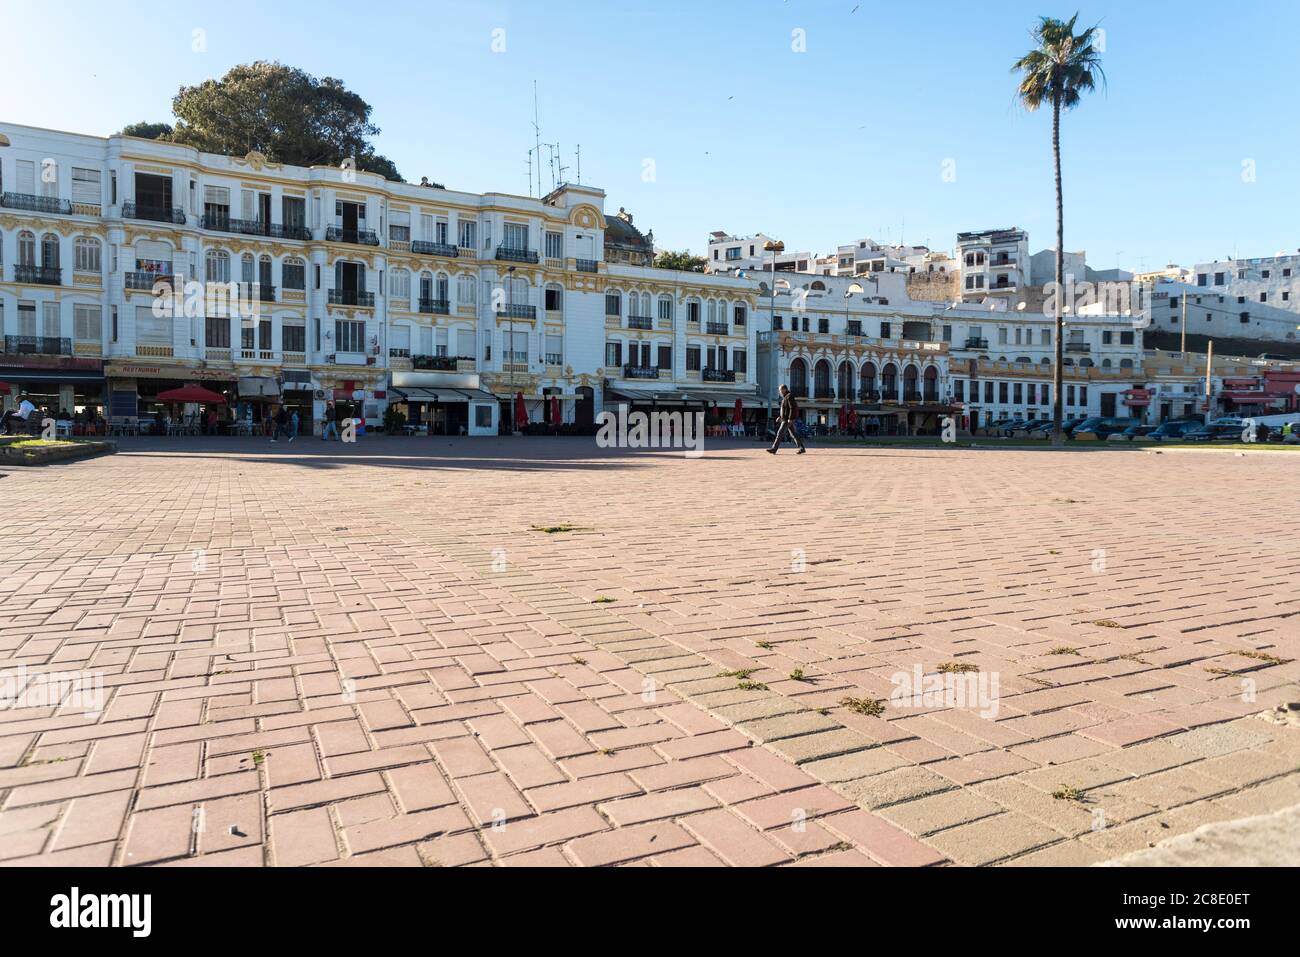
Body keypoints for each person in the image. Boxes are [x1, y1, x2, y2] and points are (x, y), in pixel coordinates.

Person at [766, 385, 806, 455]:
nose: (779, 392)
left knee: (780, 432)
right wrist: (780, 417)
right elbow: (785, 410)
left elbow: (792, 408)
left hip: (787, 419)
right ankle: (801, 448)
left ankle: (774, 449)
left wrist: (790, 418)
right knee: (793, 434)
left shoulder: (789, 396)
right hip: (786, 419)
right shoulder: (785, 397)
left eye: (780, 390)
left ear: (784, 389)